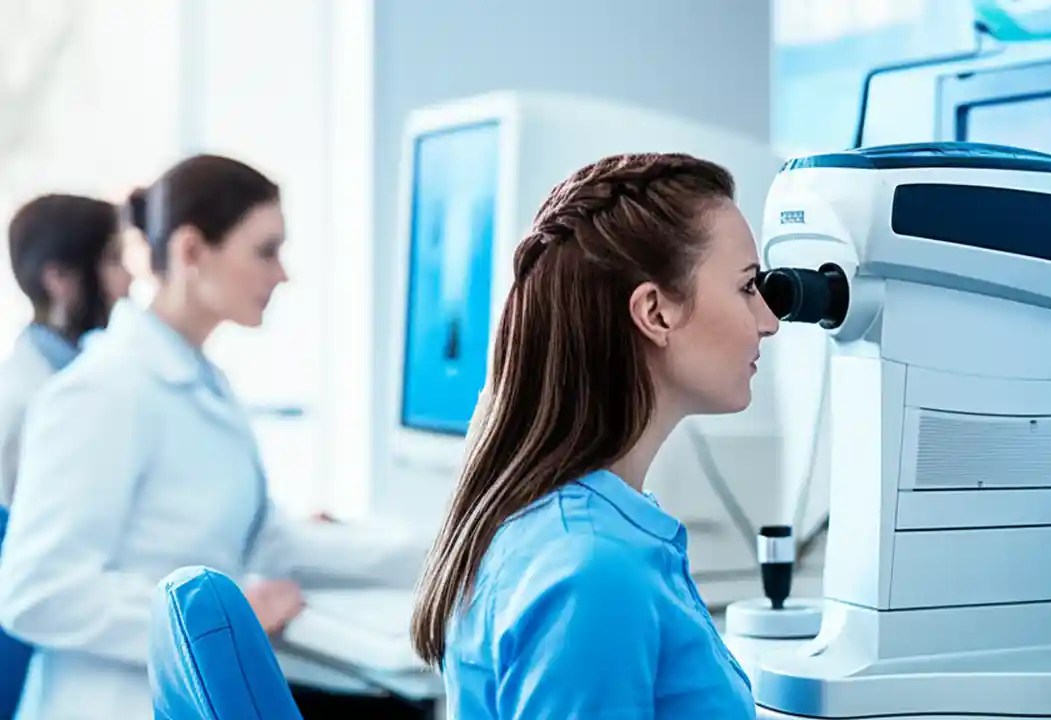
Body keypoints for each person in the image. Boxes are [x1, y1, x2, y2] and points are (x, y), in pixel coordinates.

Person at [0, 155, 423, 719]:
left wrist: (445, 552)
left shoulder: (204, 381)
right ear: (191, 251)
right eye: (265, 251)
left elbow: (269, 542)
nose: (282, 274)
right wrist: (222, 613)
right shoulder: (104, 392)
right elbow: (37, 592)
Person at [412, 152, 778, 718]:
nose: (769, 320)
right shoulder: (596, 571)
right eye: (748, 288)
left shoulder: (567, 529)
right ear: (655, 312)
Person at [0, 194, 133, 507]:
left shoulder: (97, 373)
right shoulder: (18, 404)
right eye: (113, 260)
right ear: (58, 278)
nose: (129, 278)